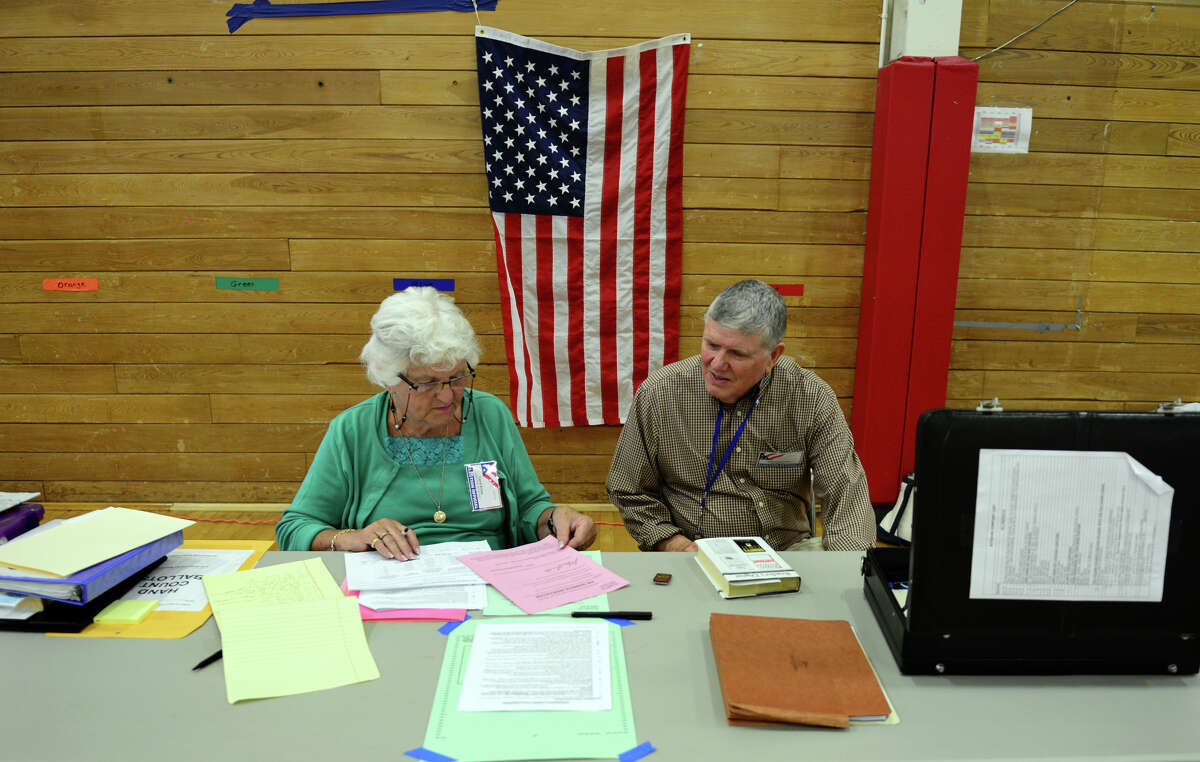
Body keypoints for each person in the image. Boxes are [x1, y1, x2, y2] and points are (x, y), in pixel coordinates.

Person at [276, 287, 595, 558]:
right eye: (427, 383)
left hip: (490, 578)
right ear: (388, 379)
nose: (447, 396)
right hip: (390, 583)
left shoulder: (488, 415)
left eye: (457, 377)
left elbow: (530, 510)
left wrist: (555, 519)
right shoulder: (352, 430)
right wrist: (349, 538)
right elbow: (295, 527)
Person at [606, 279, 876, 552]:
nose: (717, 364)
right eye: (711, 345)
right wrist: (672, 543)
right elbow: (629, 490)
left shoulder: (810, 398)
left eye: (737, 353)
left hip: (787, 552)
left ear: (773, 356)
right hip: (691, 553)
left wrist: (850, 571)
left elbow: (847, 497)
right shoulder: (661, 393)